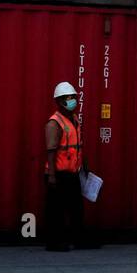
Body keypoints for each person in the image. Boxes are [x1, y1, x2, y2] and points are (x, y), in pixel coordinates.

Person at [43, 81, 84, 251]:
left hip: (72, 173)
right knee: (56, 211)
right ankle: (54, 243)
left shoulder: (74, 119)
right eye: (68, 98)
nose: (72, 100)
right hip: (58, 174)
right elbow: (51, 151)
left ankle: (77, 240)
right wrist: (52, 176)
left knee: (76, 208)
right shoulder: (54, 123)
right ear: (59, 101)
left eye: (73, 97)